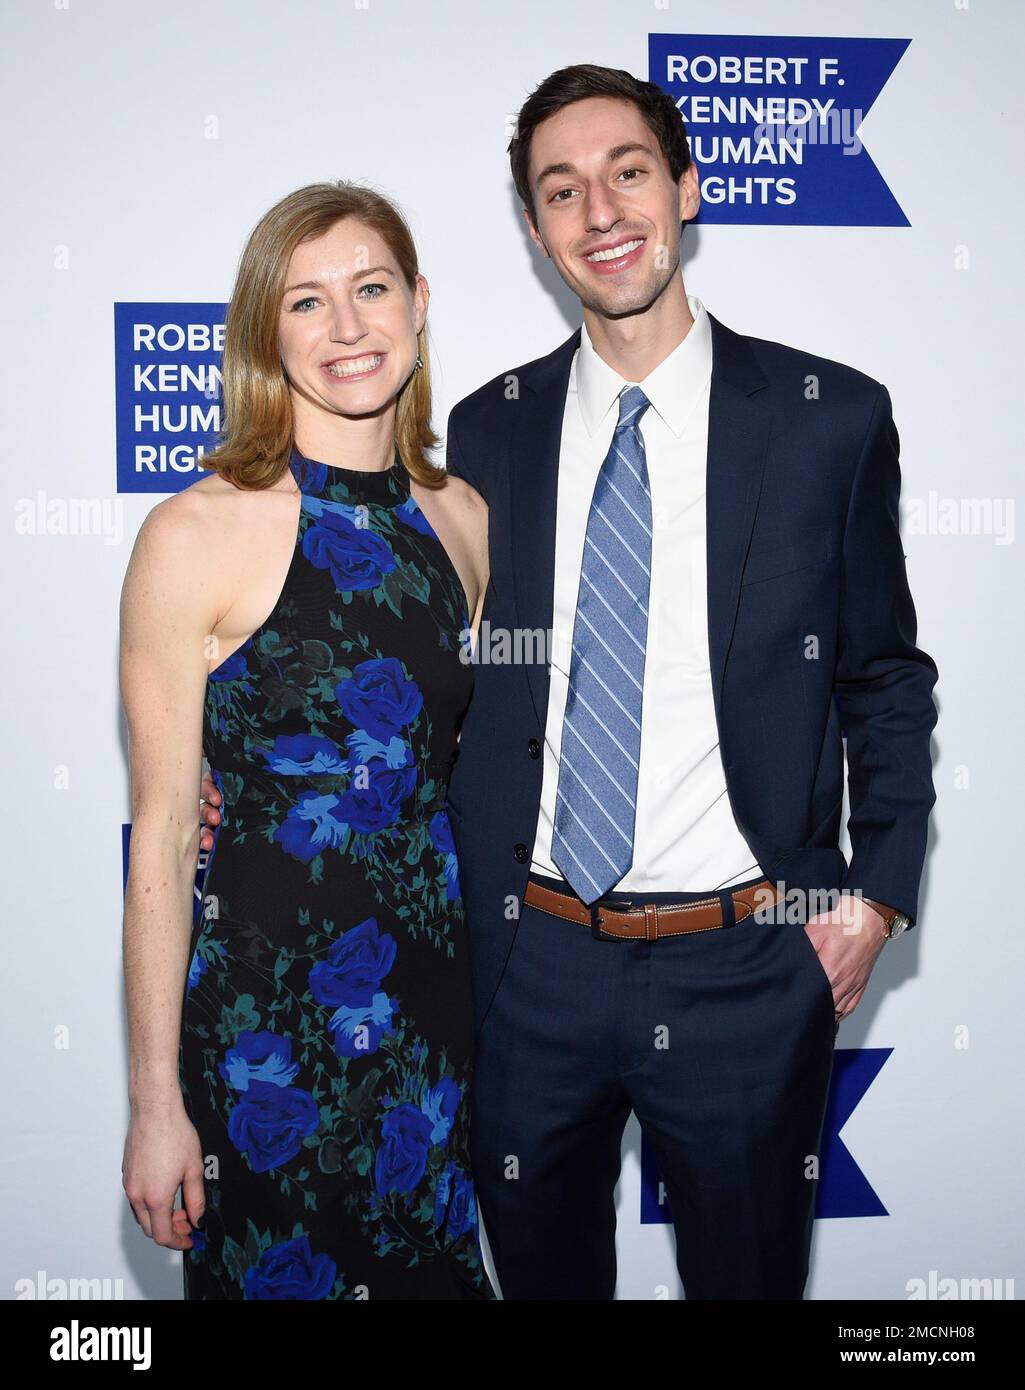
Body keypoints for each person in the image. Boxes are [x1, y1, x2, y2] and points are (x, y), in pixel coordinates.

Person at [200, 65, 939, 1302]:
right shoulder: (484, 434)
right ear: (536, 232)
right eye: (560, 190)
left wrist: (872, 898)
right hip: (524, 965)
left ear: (685, 189)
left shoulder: (829, 420)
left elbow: (882, 677)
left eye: (626, 173)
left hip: (745, 963)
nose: (598, 211)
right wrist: (239, 788)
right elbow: (402, 664)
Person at [120, 182, 494, 1300]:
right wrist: (154, 1101)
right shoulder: (196, 530)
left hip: (430, 1011)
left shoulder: (462, 519)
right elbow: (162, 837)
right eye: (305, 302)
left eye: (370, 288)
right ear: (265, 334)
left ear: (417, 302)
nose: (346, 327)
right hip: (263, 1027)